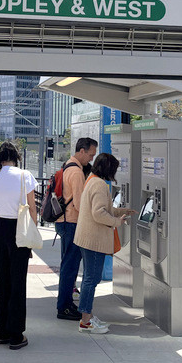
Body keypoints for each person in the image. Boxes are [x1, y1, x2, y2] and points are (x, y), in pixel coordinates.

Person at [73, 152, 134, 335]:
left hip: (87, 238)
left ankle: (88, 316)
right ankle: (86, 321)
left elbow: (100, 208)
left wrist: (118, 211)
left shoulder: (91, 180)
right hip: (94, 241)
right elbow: (99, 213)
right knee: (91, 280)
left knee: (90, 279)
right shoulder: (99, 184)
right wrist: (117, 222)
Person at [0, 142, 37, 350]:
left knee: (3, 281)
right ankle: (16, 334)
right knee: (18, 282)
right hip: (18, 228)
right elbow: (32, 207)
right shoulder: (24, 175)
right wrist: (32, 233)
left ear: (0, 158)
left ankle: (2, 332)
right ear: (16, 156)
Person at [55, 137, 98, 321]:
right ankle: (64, 307)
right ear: (81, 151)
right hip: (72, 222)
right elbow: (80, 204)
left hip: (64, 221)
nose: (91, 159)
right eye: (90, 155)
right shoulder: (77, 172)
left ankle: (64, 304)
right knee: (70, 267)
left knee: (67, 266)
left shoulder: (67, 166)